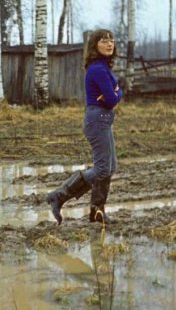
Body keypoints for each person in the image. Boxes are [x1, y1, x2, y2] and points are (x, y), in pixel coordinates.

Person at [46, 29, 123, 225]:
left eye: (111, 40)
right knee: (103, 167)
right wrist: (116, 91)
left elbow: (112, 96)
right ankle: (59, 195)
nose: (109, 44)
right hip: (97, 120)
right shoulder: (98, 69)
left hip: (103, 120)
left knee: (110, 166)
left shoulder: (104, 68)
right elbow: (113, 100)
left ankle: (97, 213)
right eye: (104, 41)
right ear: (95, 45)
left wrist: (115, 92)